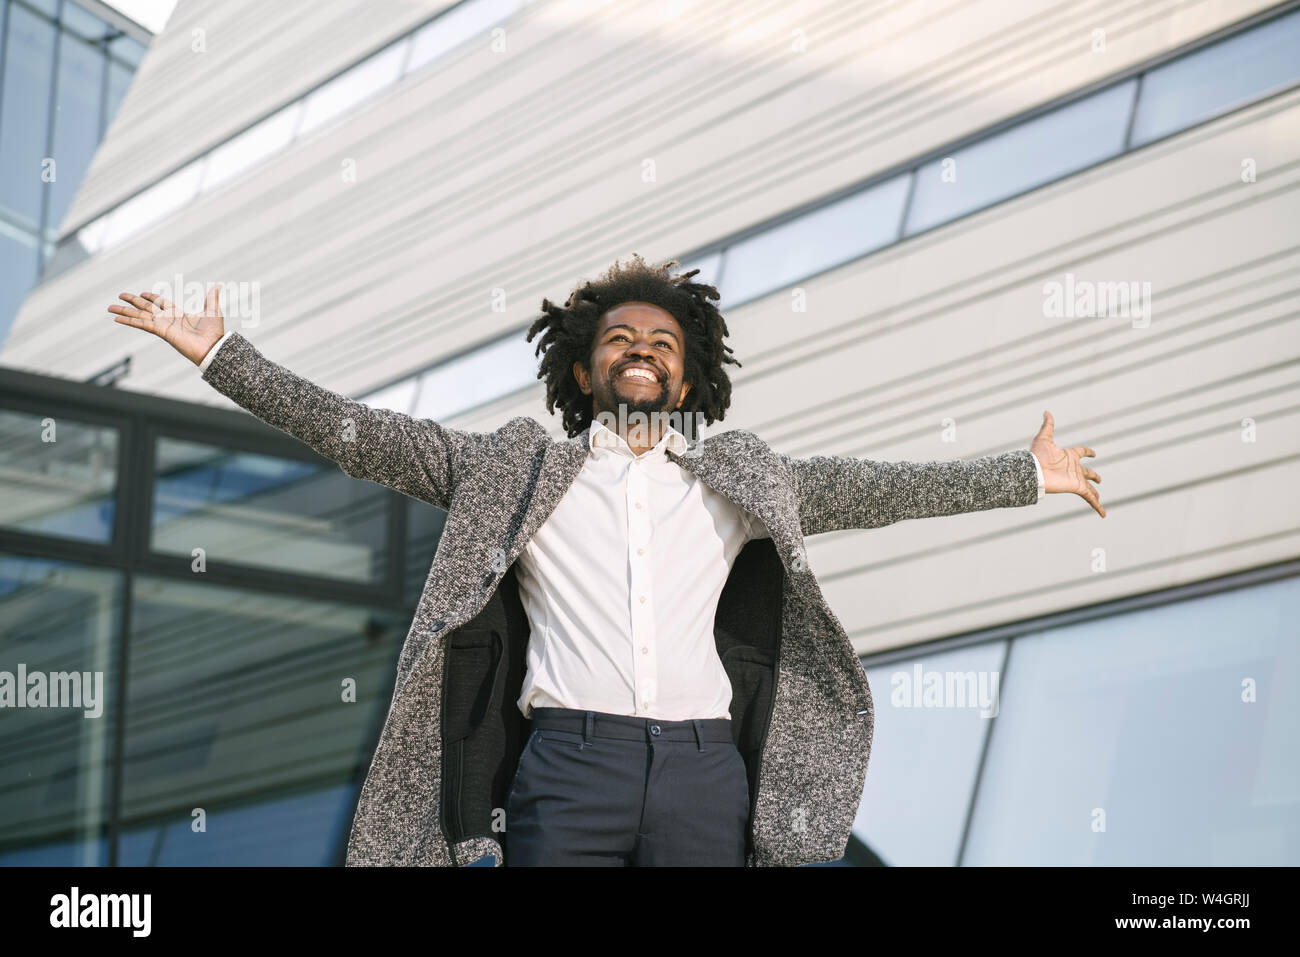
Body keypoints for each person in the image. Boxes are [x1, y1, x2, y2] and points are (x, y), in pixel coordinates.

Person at [107, 255, 1103, 866]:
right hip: (567, 765)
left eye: (662, 343)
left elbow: (874, 488)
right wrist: (220, 353)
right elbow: (355, 434)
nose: (641, 349)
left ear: (688, 373)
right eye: (619, 338)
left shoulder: (738, 479)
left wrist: (1023, 473)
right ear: (580, 368)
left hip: (705, 770)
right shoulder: (509, 469)